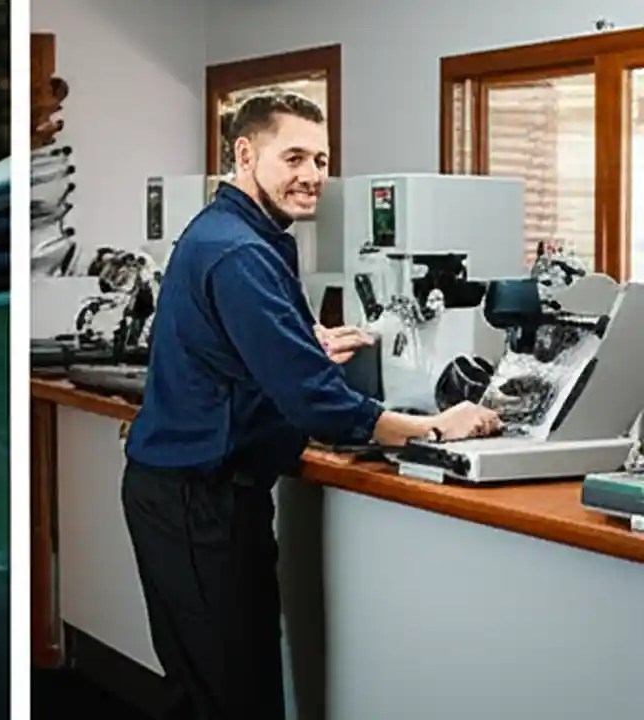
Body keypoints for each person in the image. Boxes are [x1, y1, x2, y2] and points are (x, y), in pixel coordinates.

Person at [121, 90, 501, 719]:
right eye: (294, 157)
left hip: (186, 491)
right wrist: (435, 426)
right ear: (245, 154)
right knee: (234, 700)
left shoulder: (241, 233)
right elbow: (317, 405)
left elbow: (225, 344)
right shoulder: (240, 251)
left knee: (208, 690)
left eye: (321, 160)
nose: (313, 175)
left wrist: (299, 343)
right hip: (199, 499)